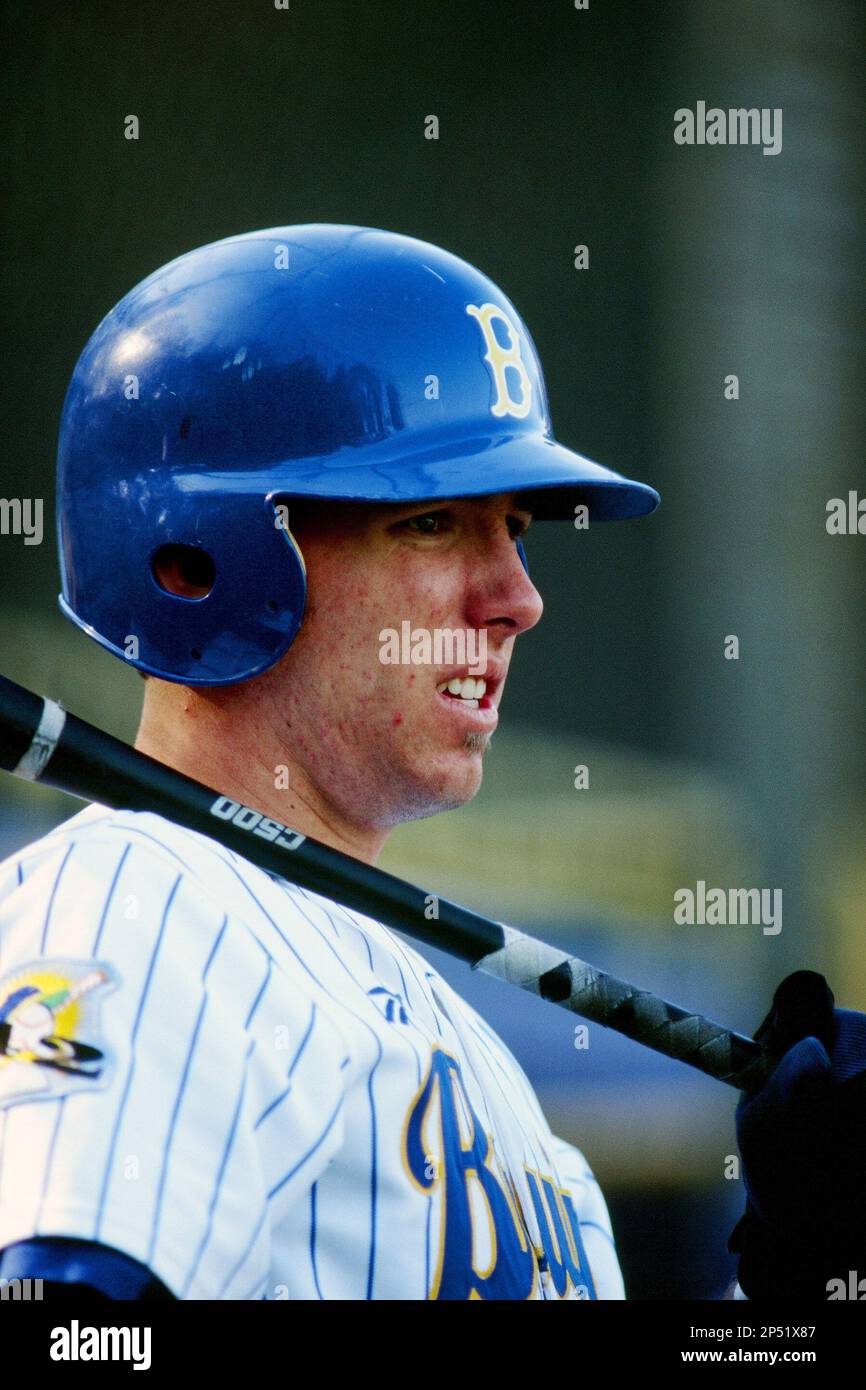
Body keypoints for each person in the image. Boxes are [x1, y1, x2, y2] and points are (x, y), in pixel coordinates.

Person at [0, 227, 862, 1301]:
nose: (518, 599)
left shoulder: (491, 1077)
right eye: (433, 523)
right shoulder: (136, 903)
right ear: (195, 559)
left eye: (516, 527)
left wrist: (803, 1280)